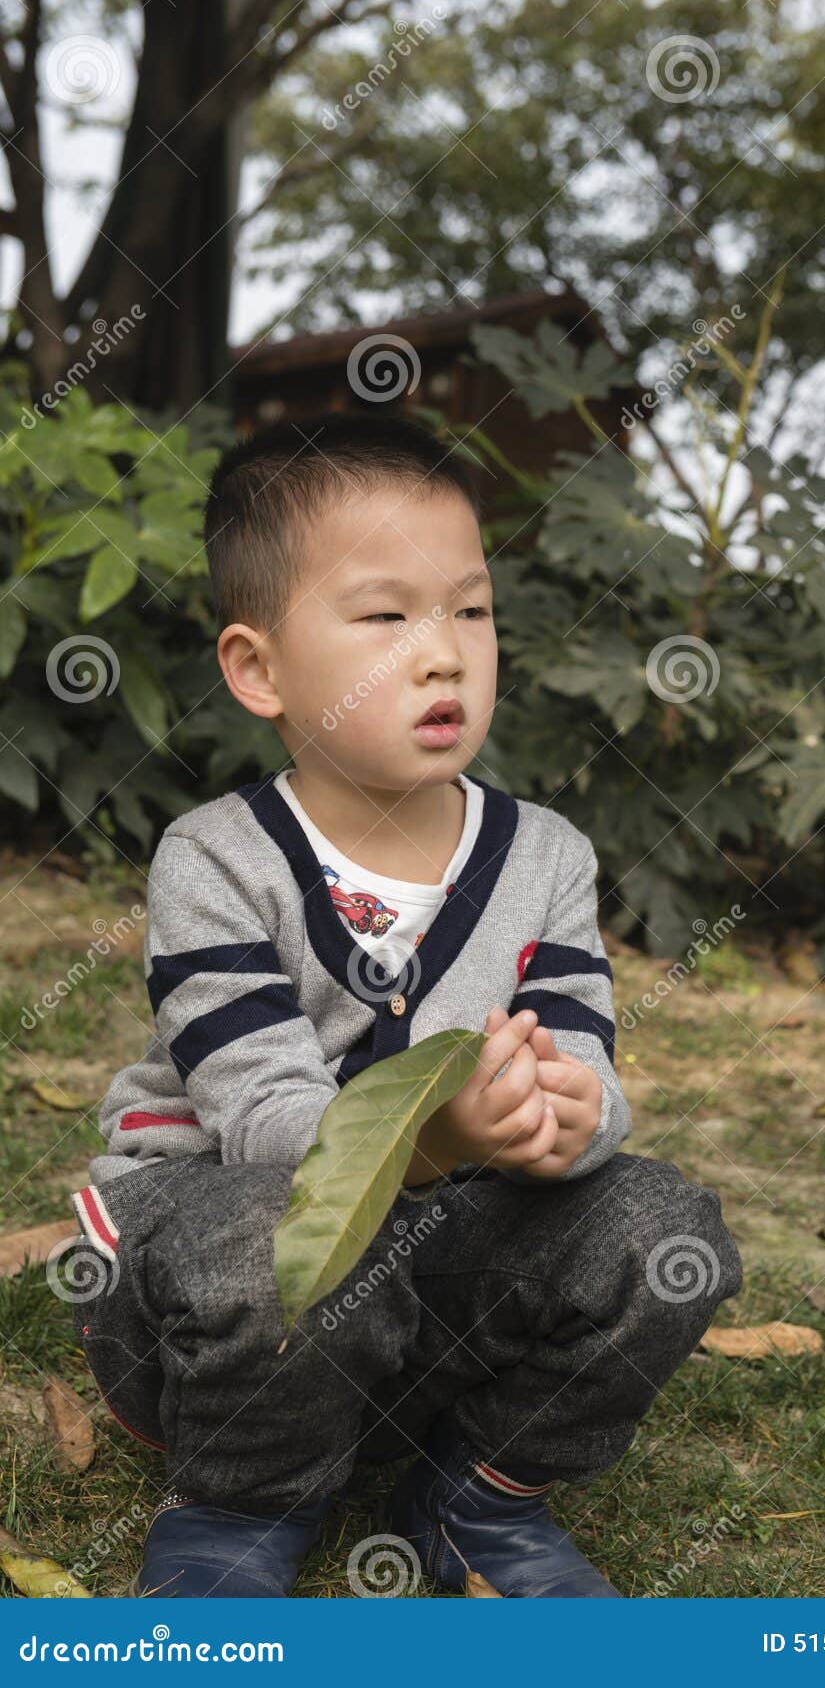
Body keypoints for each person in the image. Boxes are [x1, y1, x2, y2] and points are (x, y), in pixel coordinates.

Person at [69, 412, 743, 1598]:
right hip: (214, 1300)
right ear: (259, 668)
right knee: (264, 1234)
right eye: (387, 617)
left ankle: (477, 1494)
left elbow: (580, 1050)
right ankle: (242, 1501)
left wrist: (572, 1115)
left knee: (665, 1233)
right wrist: (430, 1140)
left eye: (470, 611)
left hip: (427, 1292)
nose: (444, 654)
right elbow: (264, 1112)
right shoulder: (216, 860)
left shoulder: (546, 858)